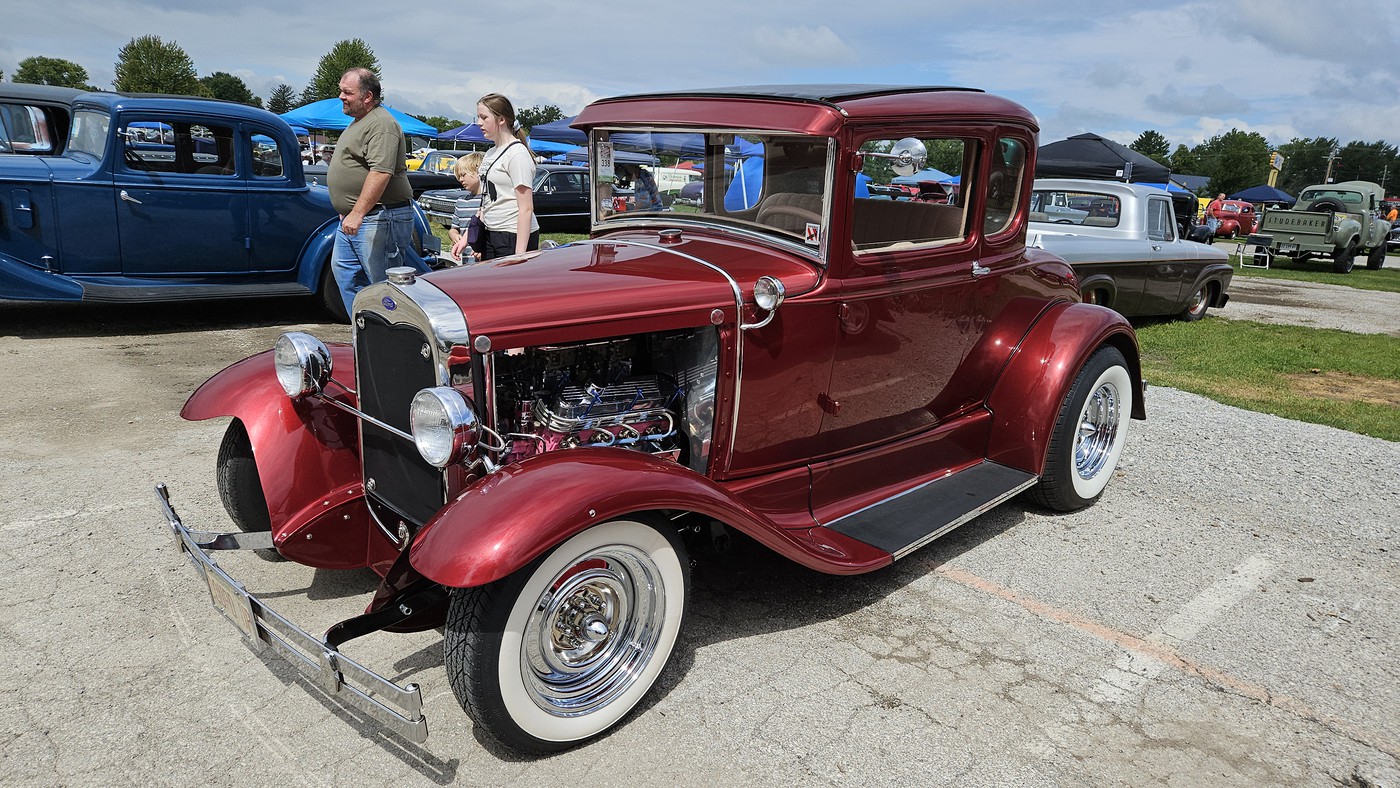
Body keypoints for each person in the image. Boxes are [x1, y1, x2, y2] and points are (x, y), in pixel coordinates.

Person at [326, 67, 425, 316]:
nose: (341, 96)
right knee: (347, 278)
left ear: (367, 96)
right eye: (341, 91)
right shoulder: (359, 122)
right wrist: (349, 211)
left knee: (384, 288)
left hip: (380, 218)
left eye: (347, 92)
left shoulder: (382, 124)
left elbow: (381, 172)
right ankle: (365, 337)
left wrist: (357, 212)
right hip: (358, 219)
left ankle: (390, 343)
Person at [475, 93, 538, 259]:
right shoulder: (490, 152)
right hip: (491, 231)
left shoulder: (517, 154)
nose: (479, 123)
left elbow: (526, 208)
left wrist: (519, 255)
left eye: (484, 117)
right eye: (478, 117)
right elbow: (487, 197)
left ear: (501, 120)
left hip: (512, 234)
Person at [448, 151, 485, 262]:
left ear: (478, 171)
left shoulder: (488, 201)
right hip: (465, 259)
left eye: (463, 175)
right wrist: (454, 235)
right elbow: (453, 229)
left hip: (483, 256)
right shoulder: (461, 202)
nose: (460, 179)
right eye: (459, 176)